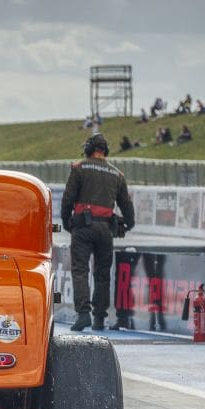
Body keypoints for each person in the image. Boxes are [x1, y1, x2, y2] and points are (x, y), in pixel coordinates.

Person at [60, 133, 135, 332]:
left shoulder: (79, 168)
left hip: (83, 228)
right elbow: (127, 205)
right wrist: (128, 224)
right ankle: (99, 318)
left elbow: (67, 200)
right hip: (105, 230)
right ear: (105, 151)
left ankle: (83, 314)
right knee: (102, 274)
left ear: (88, 148)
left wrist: (67, 223)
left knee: (80, 271)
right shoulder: (117, 174)